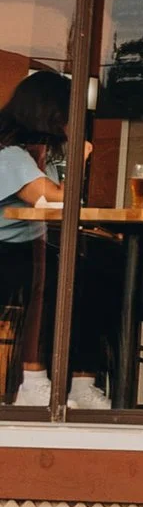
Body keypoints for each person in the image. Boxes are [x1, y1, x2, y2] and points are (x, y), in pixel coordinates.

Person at [0, 70, 69, 399]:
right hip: (6, 251)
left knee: (88, 275)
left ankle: (82, 379)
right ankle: (33, 380)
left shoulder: (36, 157)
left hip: (25, 249)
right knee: (55, 277)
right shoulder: (8, 155)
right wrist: (81, 159)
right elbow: (55, 198)